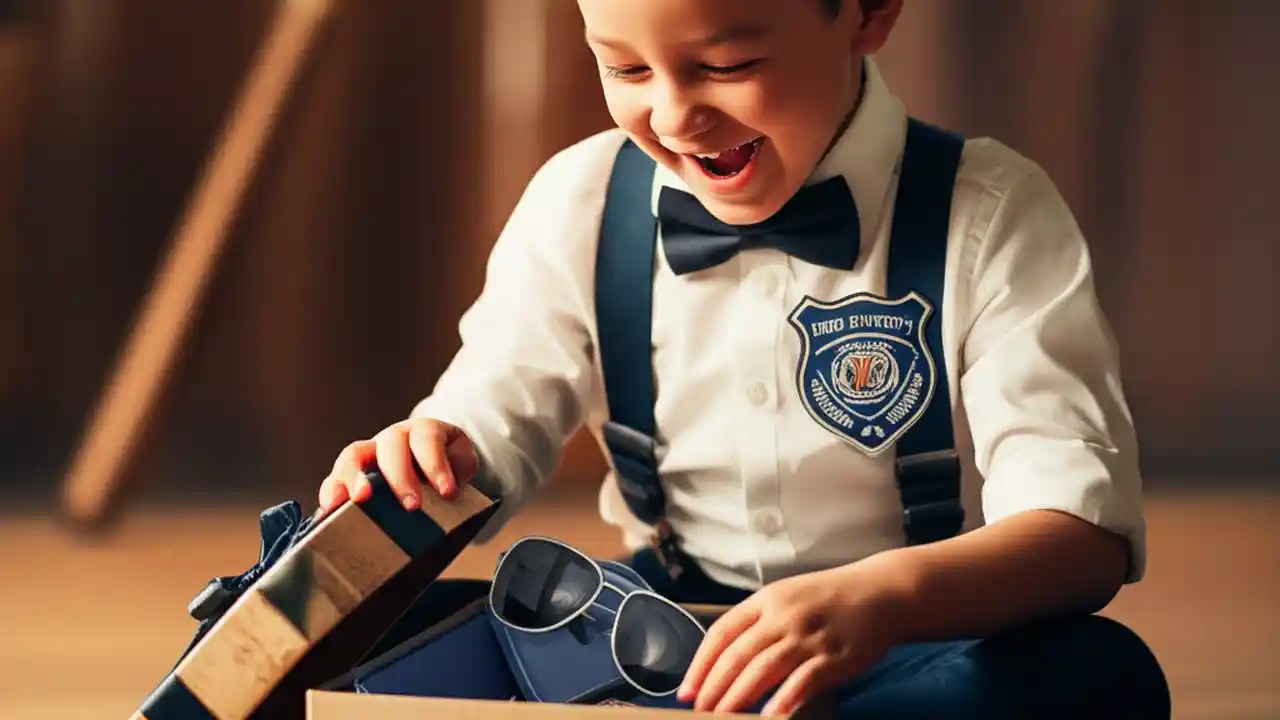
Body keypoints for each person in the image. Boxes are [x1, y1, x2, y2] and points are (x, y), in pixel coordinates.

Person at [316, 0, 1170, 717]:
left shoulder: (988, 214)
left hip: (920, 638)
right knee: (354, 634)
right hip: (672, 632)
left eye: (725, 65)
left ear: (868, 13)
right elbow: (496, 406)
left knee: (1101, 674)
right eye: (627, 71)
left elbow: (1081, 535)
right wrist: (439, 451)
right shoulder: (579, 200)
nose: (676, 116)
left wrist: (883, 600)